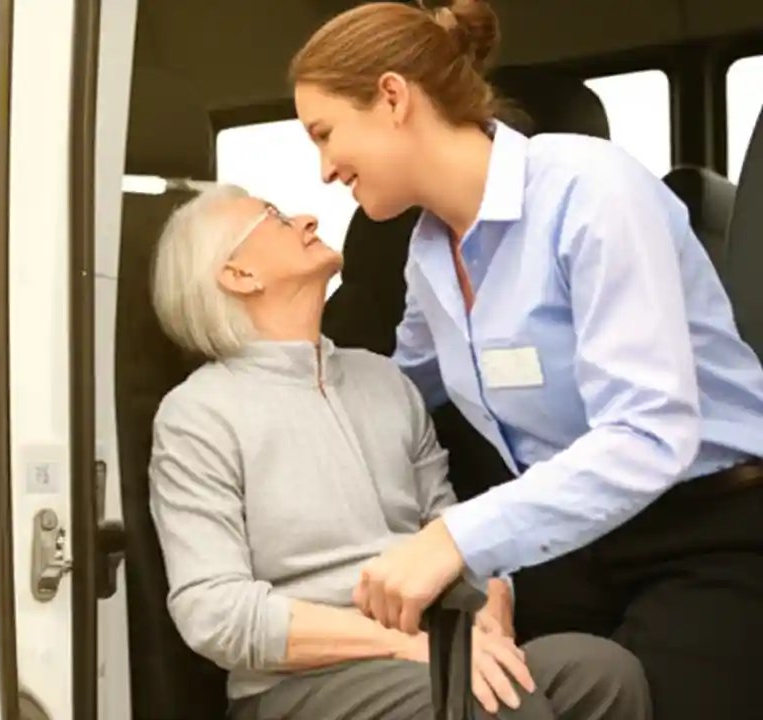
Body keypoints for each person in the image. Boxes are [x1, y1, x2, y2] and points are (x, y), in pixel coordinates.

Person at [289, 1, 763, 718]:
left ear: (392, 97)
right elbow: (403, 389)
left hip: (705, 531)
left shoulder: (588, 190)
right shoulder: (427, 253)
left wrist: (458, 539)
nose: (325, 170)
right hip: (566, 543)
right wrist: (265, 381)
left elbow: (650, 433)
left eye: (325, 134)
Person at [146, 182, 651, 720]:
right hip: (301, 684)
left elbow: (451, 525)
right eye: (274, 217)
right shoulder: (196, 415)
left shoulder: (383, 379)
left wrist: (493, 608)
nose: (308, 219)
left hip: (428, 651)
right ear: (238, 275)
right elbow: (213, 611)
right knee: (489, 704)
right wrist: (410, 648)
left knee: (603, 674)